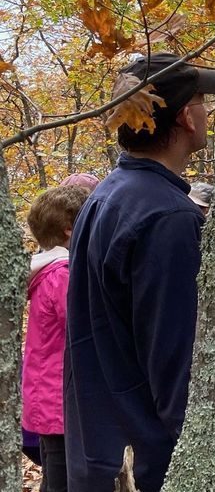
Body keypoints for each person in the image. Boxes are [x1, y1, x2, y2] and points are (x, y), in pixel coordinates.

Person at [64, 52, 215, 492]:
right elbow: (174, 357)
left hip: (105, 443)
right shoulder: (167, 217)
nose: (207, 112)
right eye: (201, 102)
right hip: (153, 458)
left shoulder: (108, 195)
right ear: (187, 117)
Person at [23, 184, 91, 492]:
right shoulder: (62, 274)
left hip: (50, 395)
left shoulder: (47, 269)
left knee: (56, 476)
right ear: (68, 231)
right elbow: (83, 325)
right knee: (63, 478)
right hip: (59, 398)